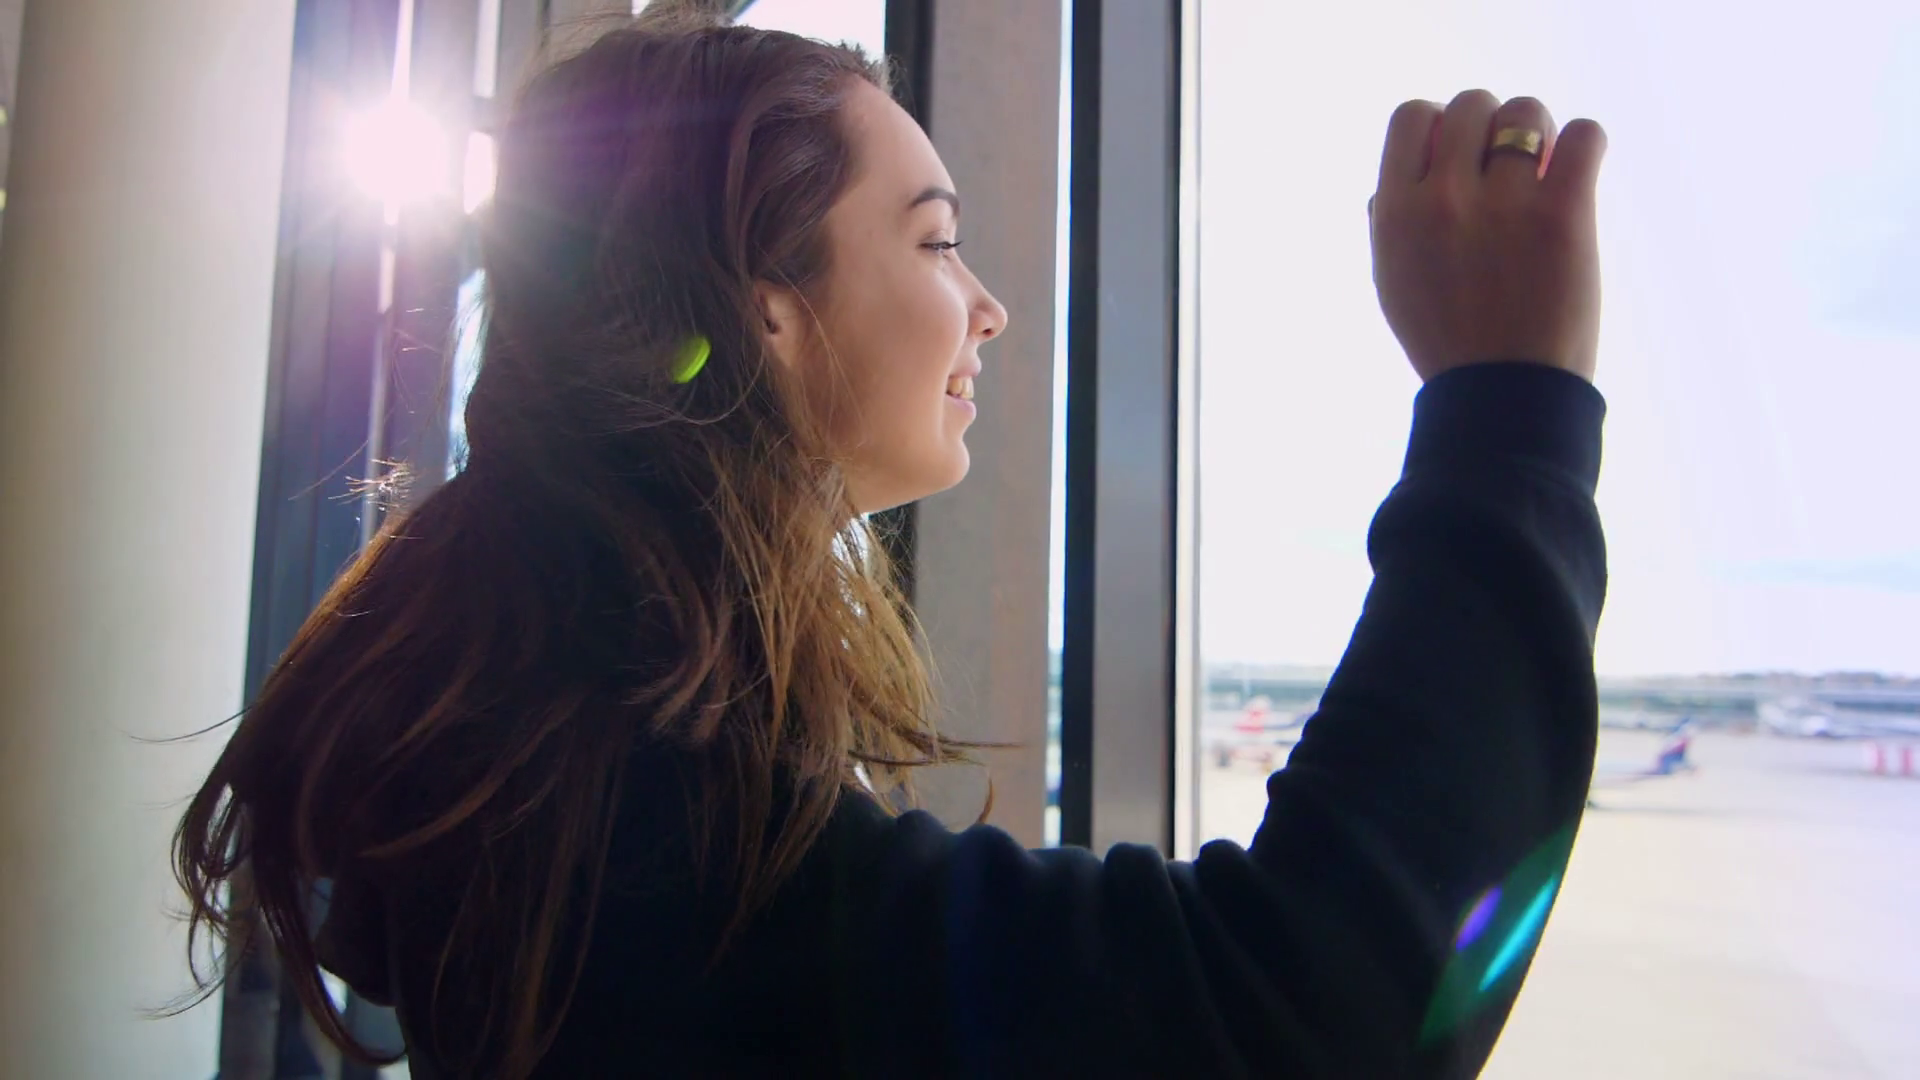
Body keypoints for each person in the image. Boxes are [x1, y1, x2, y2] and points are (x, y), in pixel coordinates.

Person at [174, 6, 1610, 1077]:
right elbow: (1314, 1009)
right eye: (933, 242)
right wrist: (1508, 410)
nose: (985, 306)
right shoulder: (656, 829)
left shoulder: (567, 739)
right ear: (765, 306)